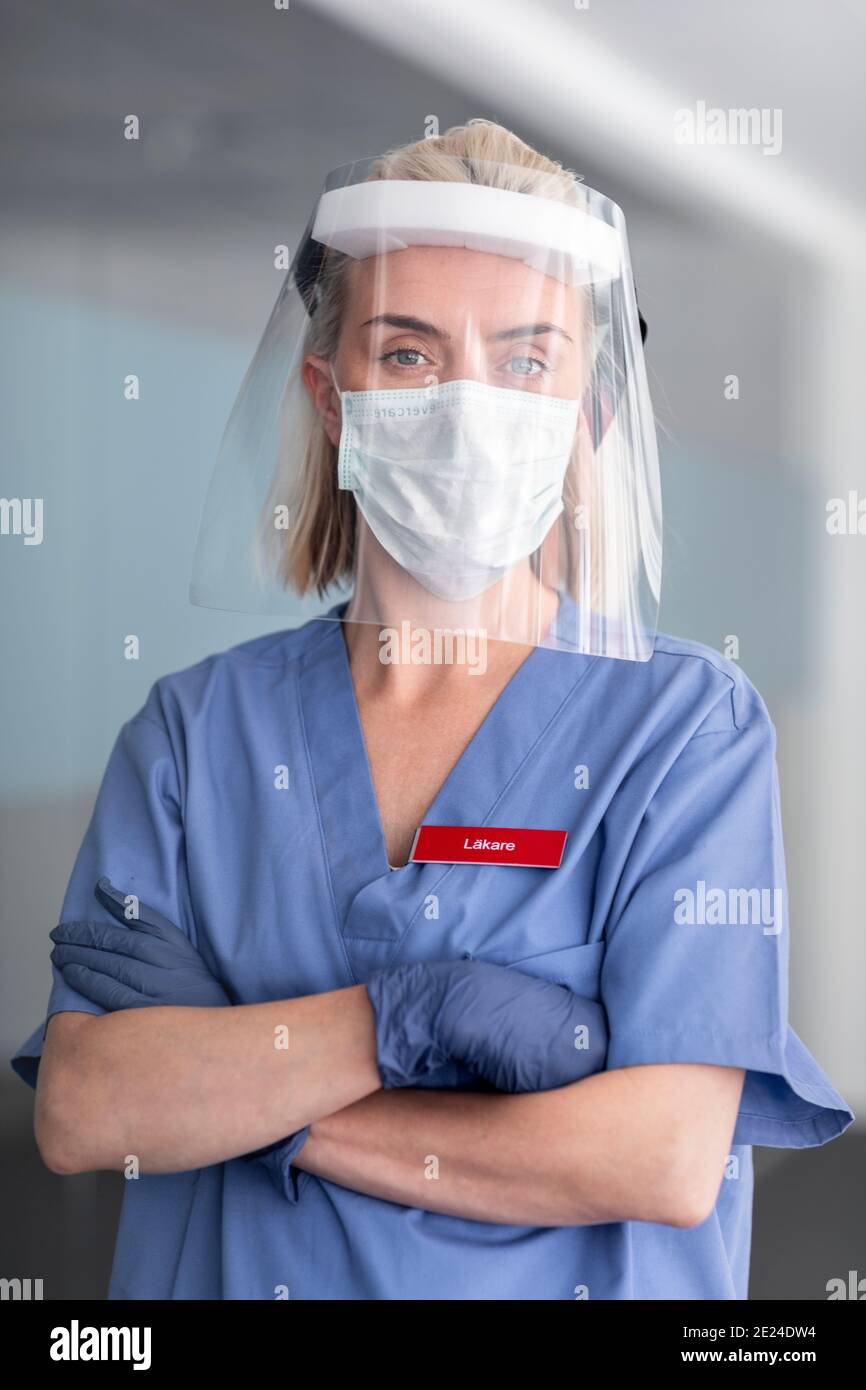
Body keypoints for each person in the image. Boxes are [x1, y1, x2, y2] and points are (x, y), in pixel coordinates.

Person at [11, 119, 853, 1301]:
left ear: (586, 416)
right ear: (331, 397)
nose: (467, 404)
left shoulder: (684, 731)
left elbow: (658, 1154)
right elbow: (89, 1107)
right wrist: (402, 1018)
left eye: (522, 359)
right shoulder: (196, 738)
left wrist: (252, 1092)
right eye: (407, 354)